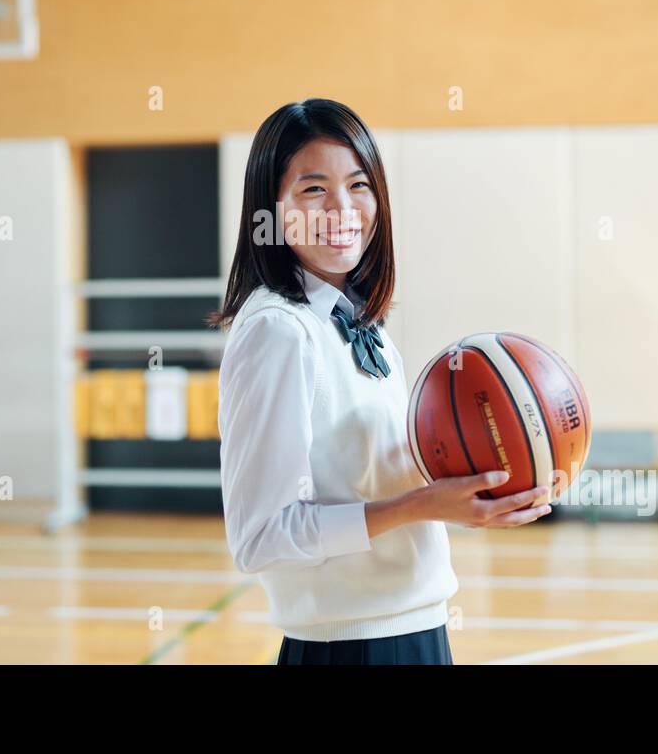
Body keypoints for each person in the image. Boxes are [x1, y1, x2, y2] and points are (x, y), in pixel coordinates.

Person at [212, 98, 552, 665]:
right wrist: (421, 505)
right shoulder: (278, 331)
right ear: (268, 212)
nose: (343, 208)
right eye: (313, 189)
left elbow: (379, 481)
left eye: (359, 184)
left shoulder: (361, 321)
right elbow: (260, 538)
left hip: (415, 630)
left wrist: (486, 488)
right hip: (350, 648)